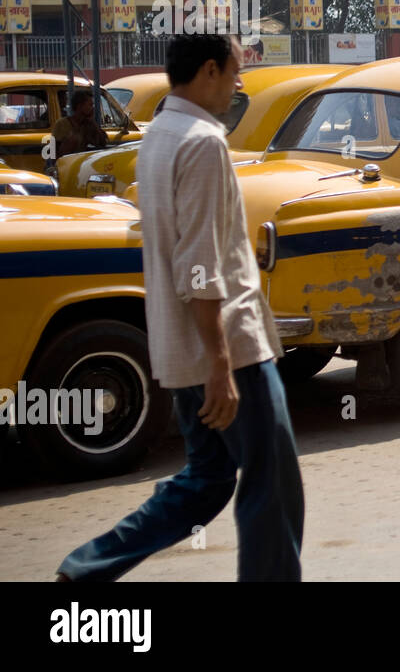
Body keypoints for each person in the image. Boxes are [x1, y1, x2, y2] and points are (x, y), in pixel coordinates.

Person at [57, 32, 304, 582]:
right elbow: (199, 264)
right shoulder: (202, 141)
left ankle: (86, 568)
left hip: (180, 348)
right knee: (272, 483)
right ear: (209, 72)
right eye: (235, 71)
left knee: (208, 479)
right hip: (227, 350)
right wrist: (220, 365)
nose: (240, 84)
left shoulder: (159, 136)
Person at [51, 88, 108, 158]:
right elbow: (54, 151)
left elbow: (102, 143)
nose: (92, 108)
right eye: (90, 105)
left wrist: (92, 122)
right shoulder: (62, 124)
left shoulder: (87, 125)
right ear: (80, 106)